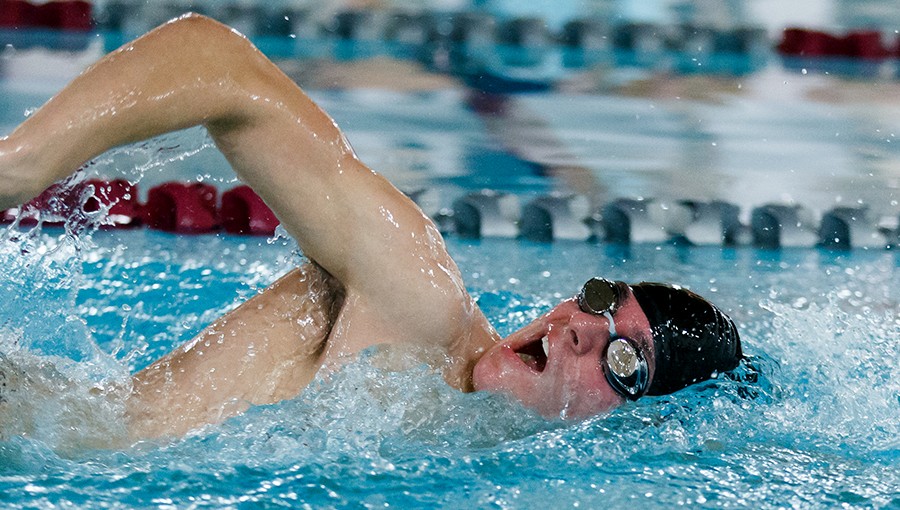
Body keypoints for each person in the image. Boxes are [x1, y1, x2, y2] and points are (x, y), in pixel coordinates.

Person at [0, 14, 741, 439]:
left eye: (623, 362)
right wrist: (19, 168)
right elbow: (216, 59)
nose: (582, 327)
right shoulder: (420, 300)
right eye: (601, 300)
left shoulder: (443, 430)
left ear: (634, 428)